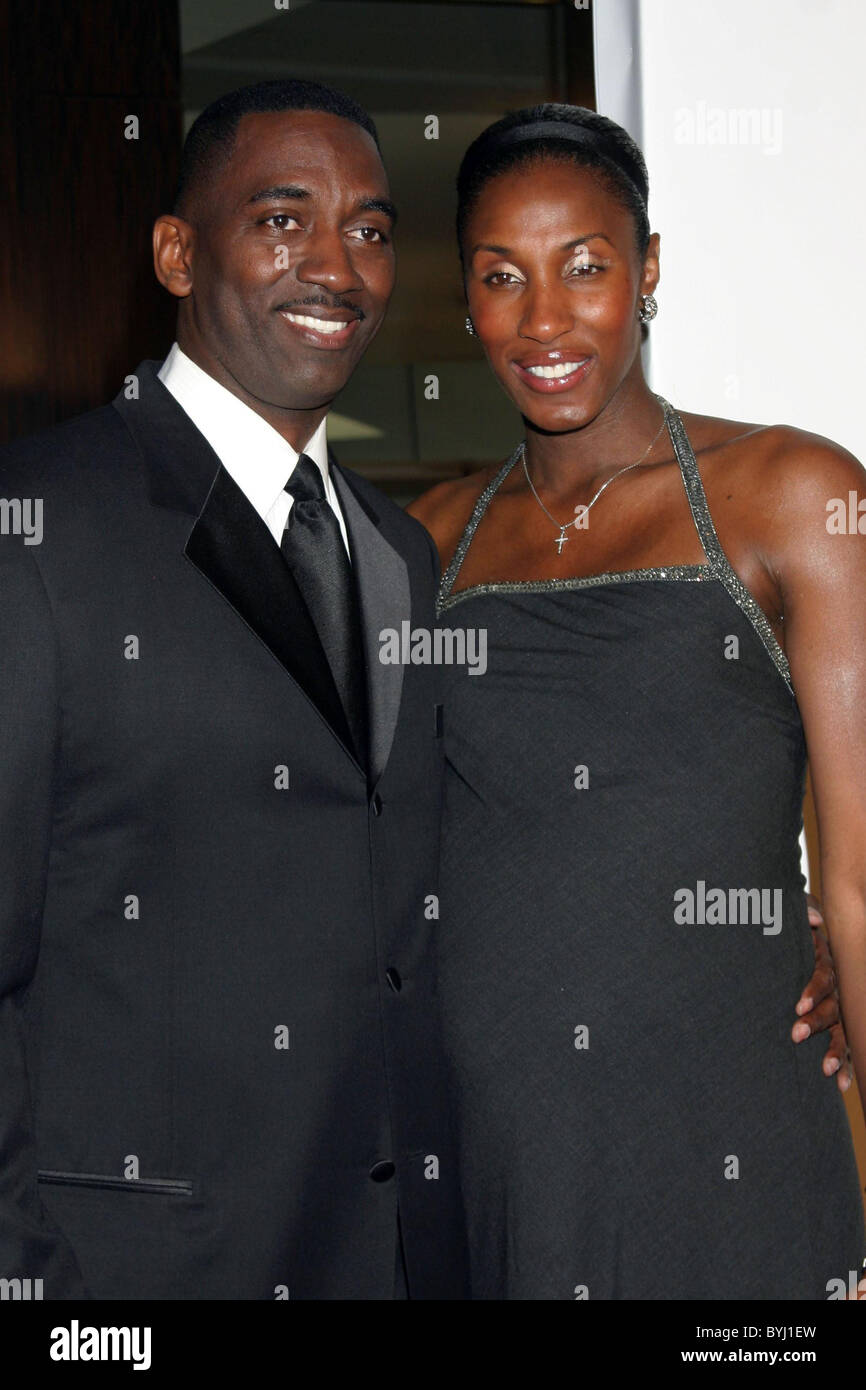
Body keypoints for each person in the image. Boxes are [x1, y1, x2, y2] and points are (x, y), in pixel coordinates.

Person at [0, 79, 467, 1300]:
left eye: (368, 229)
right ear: (174, 252)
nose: (336, 266)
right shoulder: (36, 529)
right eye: (280, 219)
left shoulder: (398, 552)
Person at [409, 103, 866, 1299]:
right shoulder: (424, 543)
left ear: (647, 269)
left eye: (586, 268)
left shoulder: (793, 496)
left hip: (733, 1134)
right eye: (501, 276)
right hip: (499, 1155)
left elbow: (861, 876)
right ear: (465, 298)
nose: (543, 319)